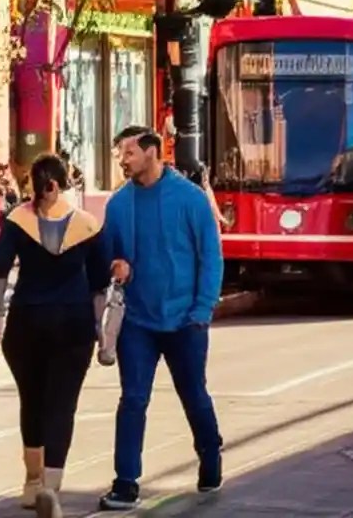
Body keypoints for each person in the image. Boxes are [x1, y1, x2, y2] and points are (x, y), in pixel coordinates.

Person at [99, 125, 224, 510]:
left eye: (129, 153)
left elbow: (211, 257)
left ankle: (209, 450)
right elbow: (108, 258)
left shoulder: (190, 199)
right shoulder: (119, 206)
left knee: (194, 395)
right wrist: (116, 266)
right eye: (121, 153)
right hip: (137, 322)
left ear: (152, 151)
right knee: (133, 399)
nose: (123, 160)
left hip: (186, 321)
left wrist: (201, 312)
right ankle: (125, 482)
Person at [0, 153, 109, 514]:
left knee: (32, 401)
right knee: (62, 405)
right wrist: (104, 337)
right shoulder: (87, 225)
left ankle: (32, 480)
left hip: (26, 323)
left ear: (37, 184)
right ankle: (51, 486)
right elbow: (100, 285)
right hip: (73, 324)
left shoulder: (18, 221)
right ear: (61, 183)